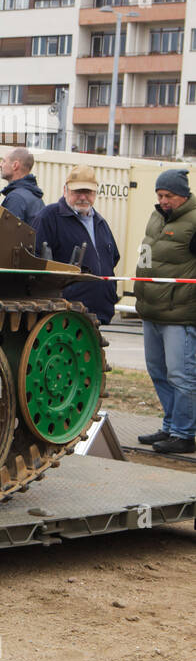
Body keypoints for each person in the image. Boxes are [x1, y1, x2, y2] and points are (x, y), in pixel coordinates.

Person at [135, 168, 196, 455]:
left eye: (168, 195)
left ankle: (184, 433)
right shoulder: (157, 216)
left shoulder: (194, 222)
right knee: (158, 372)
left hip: (179, 313)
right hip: (151, 310)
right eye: (159, 195)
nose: (163, 200)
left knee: (181, 376)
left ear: (183, 195)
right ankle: (171, 424)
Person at [32, 165, 119, 324]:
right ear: (65, 190)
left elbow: (112, 259)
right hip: (64, 314)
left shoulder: (100, 222)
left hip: (98, 313)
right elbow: (34, 260)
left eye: (88, 192)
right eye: (78, 192)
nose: (83, 197)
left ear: (95, 193)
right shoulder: (49, 217)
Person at [0, 147, 44, 225]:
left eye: (4, 161)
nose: (0, 165)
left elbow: (8, 234)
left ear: (15, 165)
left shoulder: (16, 198)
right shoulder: (36, 197)